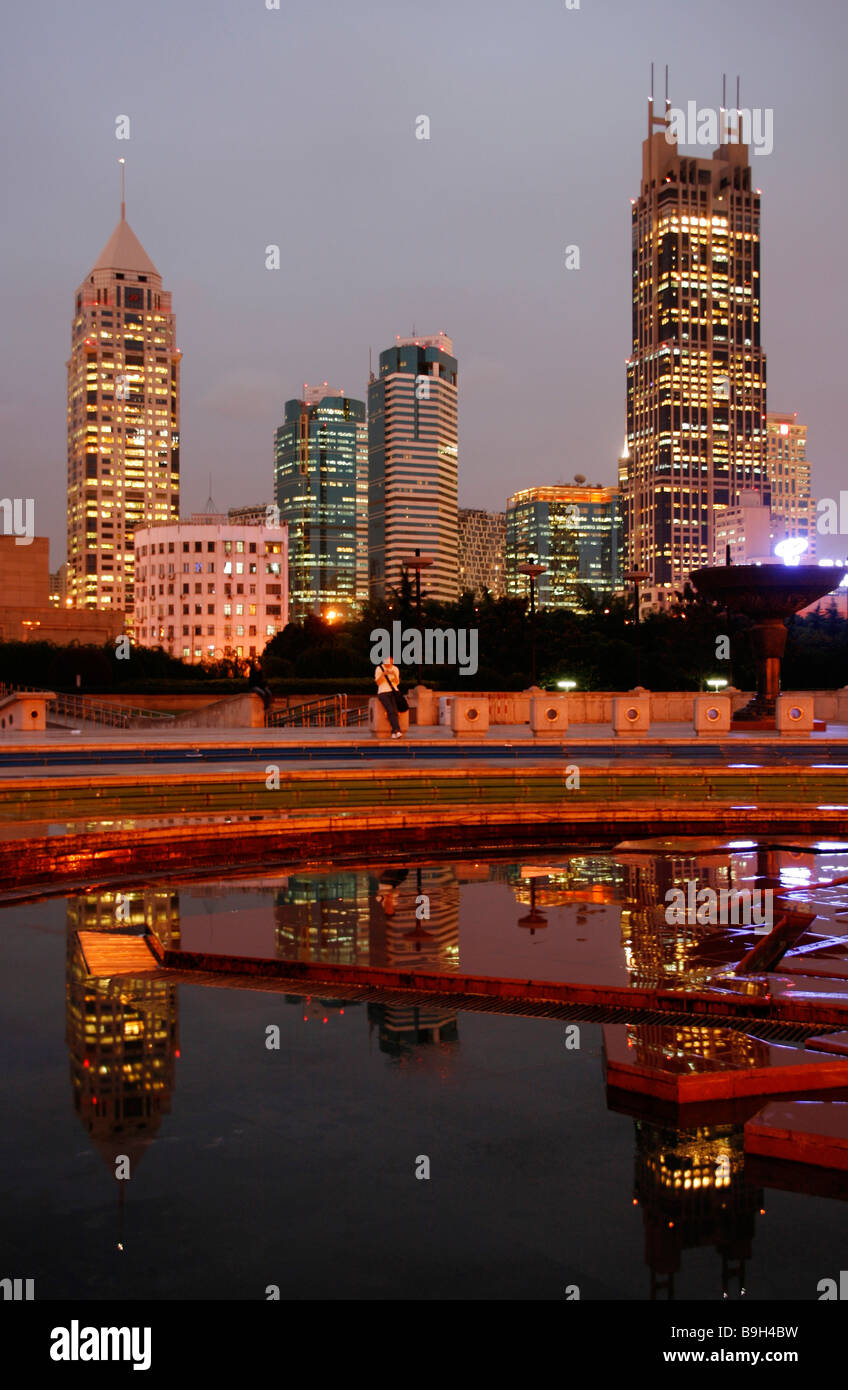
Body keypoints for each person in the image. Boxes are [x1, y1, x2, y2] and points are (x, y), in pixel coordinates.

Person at [374, 656, 403, 738]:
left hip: (393, 691)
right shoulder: (379, 668)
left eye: (391, 661)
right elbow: (378, 682)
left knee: (395, 711)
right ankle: (397, 730)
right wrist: (383, 674)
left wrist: (394, 675)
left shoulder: (395, 669)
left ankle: (394, 732)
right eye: (388, 661)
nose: (389, 663)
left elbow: (397, 683)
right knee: (390, 710)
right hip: (383, 692)